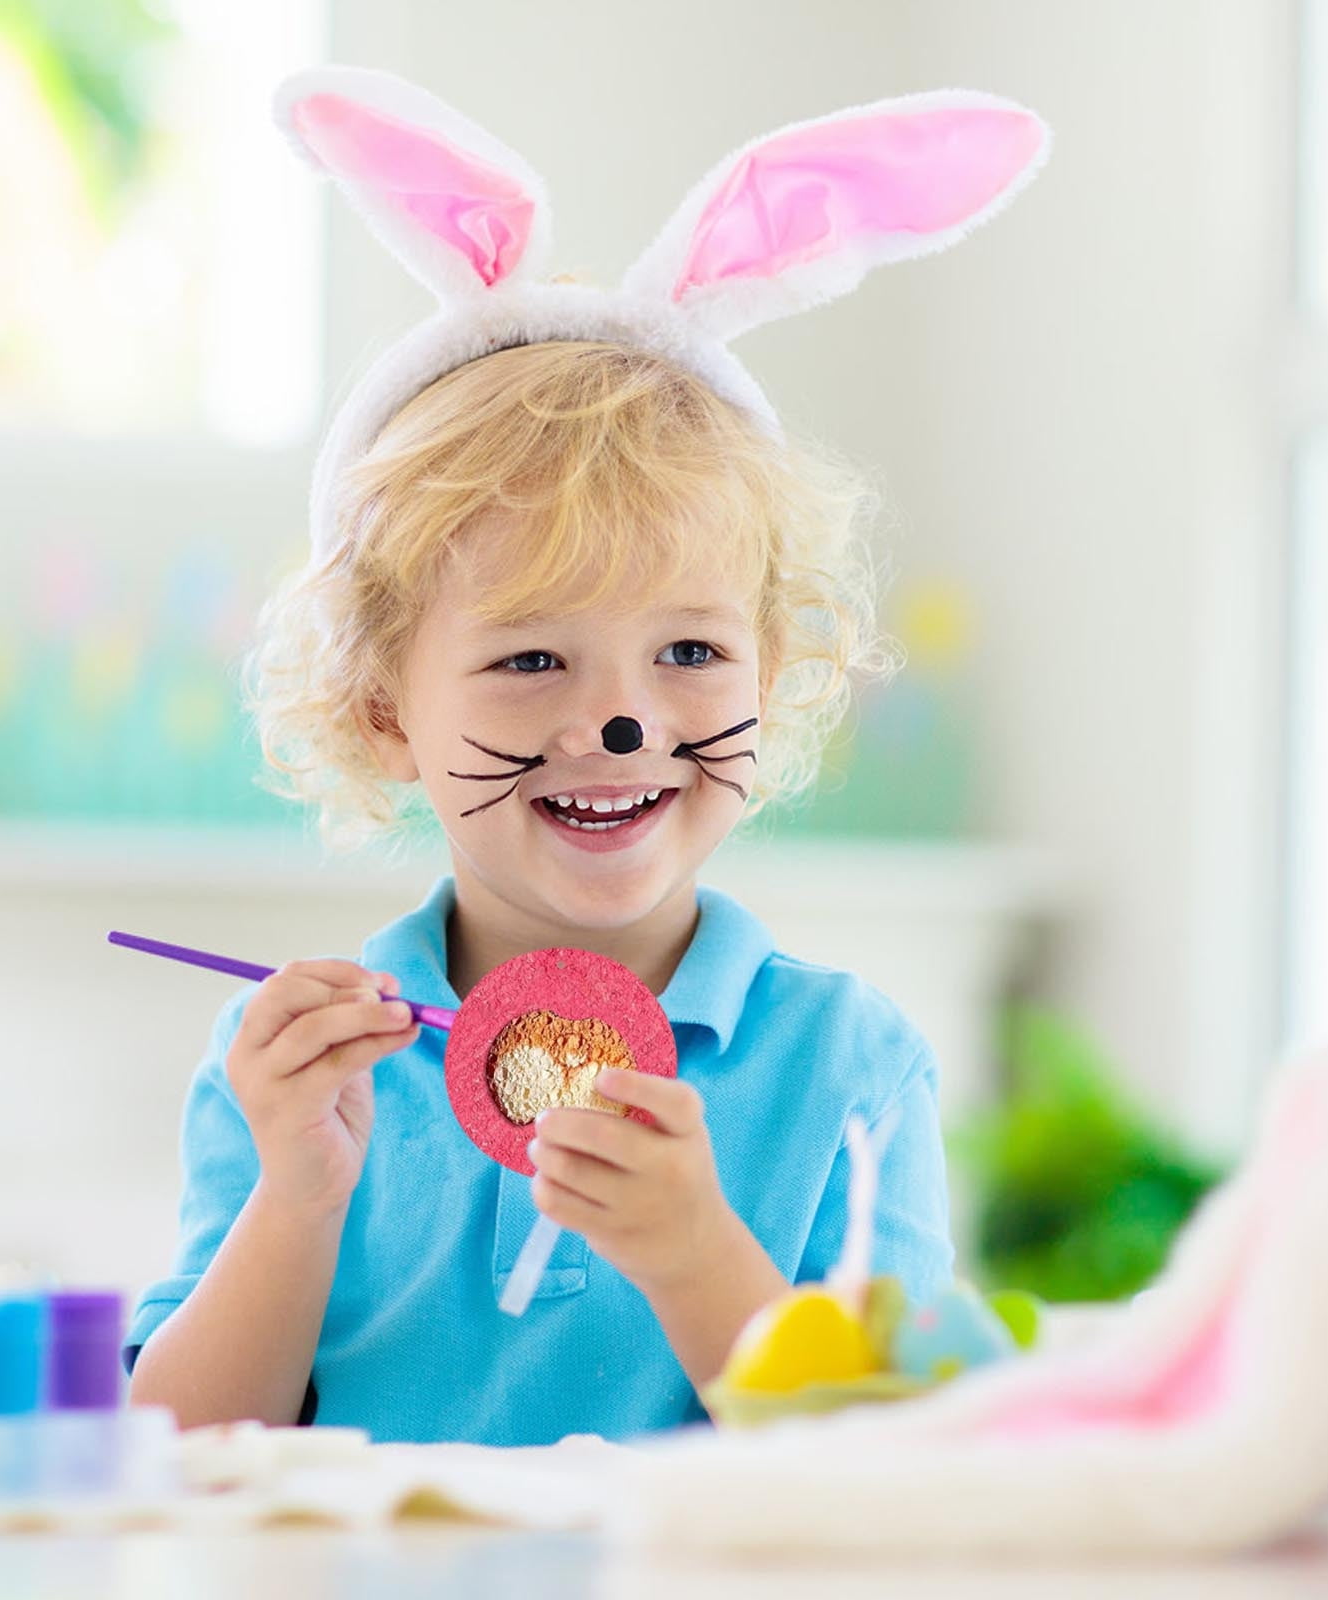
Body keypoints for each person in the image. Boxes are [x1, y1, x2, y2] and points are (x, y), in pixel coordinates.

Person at [124, 65, 1050, 1445]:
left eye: (687, 655)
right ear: (384, 710)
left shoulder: (850, 1065)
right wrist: (298, 1199)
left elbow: (898, 1467)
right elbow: (175, 1451)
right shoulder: (305, 1068)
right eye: (529, 660)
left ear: (774, 674)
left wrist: (696, 1257)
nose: (621, 721)